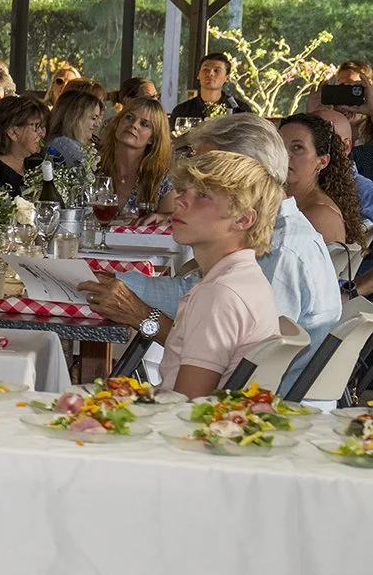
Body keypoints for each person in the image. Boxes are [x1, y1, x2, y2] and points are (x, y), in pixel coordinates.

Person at [79, 115, 336, 395]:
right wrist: (106, 279)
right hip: (231, 411)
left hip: (265, 412)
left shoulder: (279, 253)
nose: (180, 199)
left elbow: (192, 401)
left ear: (247, 182)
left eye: (204, 189)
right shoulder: (241, 264)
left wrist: (143, 316)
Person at [150, 149, 282, 397]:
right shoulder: (245, 278)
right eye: (183, 191)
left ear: (243, 220)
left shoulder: (219, 293)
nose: (180, 201)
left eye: (202, 196)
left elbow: (188, 403)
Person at [278, 113, 363, 250]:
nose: (284, 155)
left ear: (322, 161)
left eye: (297, 148)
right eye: (279, 147)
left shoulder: (318, 216)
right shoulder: (290, 202)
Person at [97, 96, 173, 212]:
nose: (134, 125)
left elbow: (171, 222)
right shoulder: (93, 169)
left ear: (152, 139)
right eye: (129, 117)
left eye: (144, 124)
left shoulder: (161, 180)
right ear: (117, 123)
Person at [0, 95, 47, 194]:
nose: (42, 133)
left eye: (42, 126)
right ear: (12, 132)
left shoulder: (36, 165)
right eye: (36, 126)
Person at [171, 50, 250, 131]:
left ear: (227, 78)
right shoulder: (182, 111)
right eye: (205, 69)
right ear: (198, 75)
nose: (210, 74)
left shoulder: (240, 110)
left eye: (217, 70)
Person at [45, 87, 106, 166]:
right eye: (93, 118)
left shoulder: (58, 142)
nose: (96, 124)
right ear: (75, 117)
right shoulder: (65, 146)